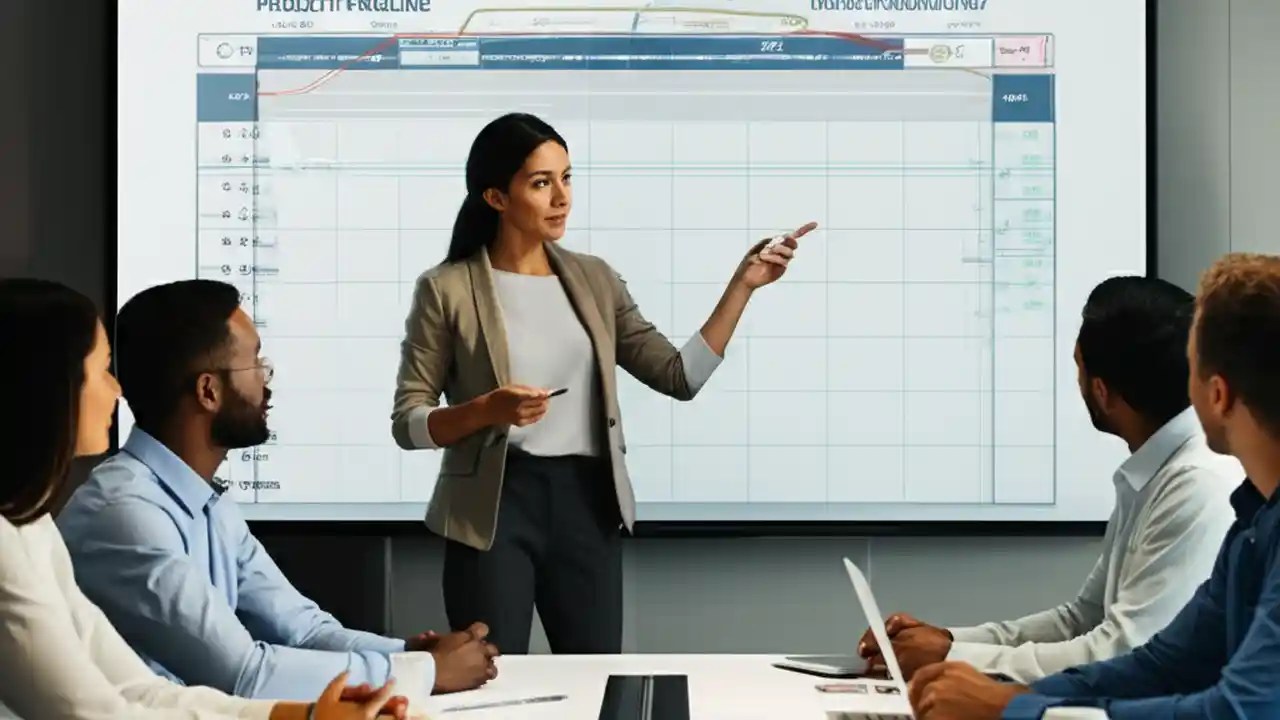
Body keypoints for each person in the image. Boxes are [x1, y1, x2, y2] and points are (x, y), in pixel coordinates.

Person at [390, 111, 814, 654]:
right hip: (492, 508)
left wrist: (743, 285)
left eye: (567, 178)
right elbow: (408, 422)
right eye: (541, 183)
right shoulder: (445, 288)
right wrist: (488, 410)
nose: (561, 197)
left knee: (595, 678)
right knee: (492, 680)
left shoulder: (595, 278)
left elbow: (679, 376)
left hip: (586, 504)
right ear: (495, 197)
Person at [56, 279, 496, 707]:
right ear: (208, 391)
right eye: (255, 364)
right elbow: (244, 674)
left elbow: (303, 629)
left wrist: (409, 654)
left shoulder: (208, 503)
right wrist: (426, 673)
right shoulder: (124, 513)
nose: (266, 383)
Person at [0, 277, 405, 720]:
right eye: (101, 371)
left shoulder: (31, 527)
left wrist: (302, 714)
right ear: (48, 388)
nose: (116, 391)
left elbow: (138, 690)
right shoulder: (111, 513)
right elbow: (98, 714)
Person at [905, 252, 1280, 720]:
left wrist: (1018, 710)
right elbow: (1163, 665)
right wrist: (1013, 699)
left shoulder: (1208, 486)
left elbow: (1239, 711)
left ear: (1217, 394)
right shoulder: (1254, 523)